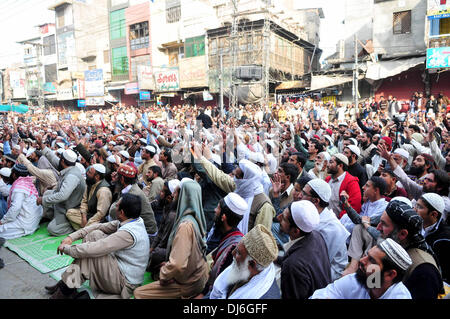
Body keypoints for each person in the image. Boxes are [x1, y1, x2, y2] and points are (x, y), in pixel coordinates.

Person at [45, 193, 150, 299]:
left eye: (117, 206)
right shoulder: (131, 220)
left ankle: (65, 289)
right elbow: (98, 226)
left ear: (122, 212)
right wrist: (71, 237)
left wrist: (68, 249)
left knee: (90, 255)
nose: (115, 207)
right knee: (95, 234)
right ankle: (67, 285)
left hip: (125, 283)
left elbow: (97, 247)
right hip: (119, 268)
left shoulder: (128, 233)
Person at [134, 180, 209, 299]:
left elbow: (178, 265)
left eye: (176, 192)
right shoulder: (196, 218)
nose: (173, 195)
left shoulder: (185, 225)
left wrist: (164, 275)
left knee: (139, 293)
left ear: (184, 196)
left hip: (188, 283)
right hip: (195, 276)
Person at [376, 200, 444, 299]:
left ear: (403, 234)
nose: (378, 228)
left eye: (384, 224)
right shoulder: (388, 247)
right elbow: (371, 286)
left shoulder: (424, 271)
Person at [310, 239, 412, 299]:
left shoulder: (400, 296)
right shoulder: (359, 280)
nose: (362, 260)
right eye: (367, 255)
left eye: (372, 260)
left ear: (390, 274)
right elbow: (325, 293)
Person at [276, 200, 331, 299]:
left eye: (283, 218)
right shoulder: (316, 235)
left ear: (296, 231)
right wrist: (275, 258)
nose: (278, 217)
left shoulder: (292, 266)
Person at [209, 224, 280, 299]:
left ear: (252, 264)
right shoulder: (243, 268)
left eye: (238, 253)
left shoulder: (263, 296)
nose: (233, 253)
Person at [198, 193, 248, 298]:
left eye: (218, 208)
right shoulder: (227, 236)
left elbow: (221, 288)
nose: (215, 210)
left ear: (223, 217)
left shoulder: (233, 249)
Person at [35, 135, 87, 237]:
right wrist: (41, 145)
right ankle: (55, 218)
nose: (58, 159)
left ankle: (73, 225)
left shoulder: (72, 176)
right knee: (47, 193)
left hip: (68, 208)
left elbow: (63, 196)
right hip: (62, 204)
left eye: (60, 158)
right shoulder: (70, 166)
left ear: (63, 161)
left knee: (52, 229)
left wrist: (43, 200)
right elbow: (52, 158)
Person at [299, 179, 350, 281]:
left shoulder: (332, 228)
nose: (299, 195)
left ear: (315, 201)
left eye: (304, 193)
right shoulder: (312, 215)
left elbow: (318, 261)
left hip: (329, 274)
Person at [108, 165, 158, 240]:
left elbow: (113, 212)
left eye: (117, 177)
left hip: (147, 232)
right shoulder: (131, 187)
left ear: (122, 179)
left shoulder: (133, 193)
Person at [147, 179, 180, 280]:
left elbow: (164, 241)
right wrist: (151, 249)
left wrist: (152, 253)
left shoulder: (172, 216)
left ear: (169, 197)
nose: (159, 193)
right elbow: (160, 232)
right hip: (164, 245)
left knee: (157, 254)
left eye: (162, 191)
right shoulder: (166, 207)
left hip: (171, 251)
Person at [0, 164, 43, 240]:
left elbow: (15, 208)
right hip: (32, 220)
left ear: (14, 175)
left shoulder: (19, 188)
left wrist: (3, 221)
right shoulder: (27, 183)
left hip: (25, 223)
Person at [65, 164, 112, 230]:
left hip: (98, 219)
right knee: (70, 213)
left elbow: (101, 214)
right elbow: (84, 201)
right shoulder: (90, 183)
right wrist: (84, 218)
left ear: (97, 177)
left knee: (92, 225)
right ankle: (84, 230)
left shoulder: (103, 190)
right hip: (89, 214)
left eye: (90, 172)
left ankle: (83, 230)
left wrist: (88, 223)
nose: (87, 173)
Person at [415, 193, 449, 283]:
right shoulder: (414, 223)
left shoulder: (444, 239)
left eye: (420, 207)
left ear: (433, 214)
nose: (414, 209)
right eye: (416, 205)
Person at [326, 153, 362, 218]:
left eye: (331, 162)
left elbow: (354, 207)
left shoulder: (351, 183)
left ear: (340, 165)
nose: (327, 165)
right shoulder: (328, 180)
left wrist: (338, 220)